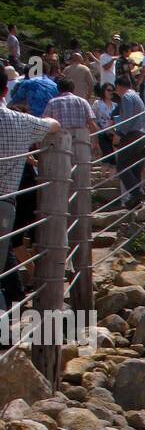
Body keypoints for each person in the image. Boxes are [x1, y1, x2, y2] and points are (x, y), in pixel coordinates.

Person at [0, 73, 60, 297]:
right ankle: (15, 301)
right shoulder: (21, 121)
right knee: (4, 256)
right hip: (7, 202)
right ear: (5, 91)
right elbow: (53, 125)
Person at [112, 77, 145, 207]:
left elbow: (127, 118)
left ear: (118, 86)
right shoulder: (136, 96)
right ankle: (135, 200)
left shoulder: (126, 97)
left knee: (121, 165)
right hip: (143, 135)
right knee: (135, 168)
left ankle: (136, 193)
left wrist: (119, 134)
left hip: (132, 135)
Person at [94, 83, 117, 163]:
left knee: (113, 160)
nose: (111, 92)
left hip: (113, 134)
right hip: (102, 133)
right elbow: (93, 119)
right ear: (103, 91)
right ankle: (104, 175)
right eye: (108, 90)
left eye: (112, 90)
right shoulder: (97, 103)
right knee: (106, 158)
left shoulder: (115, 105)